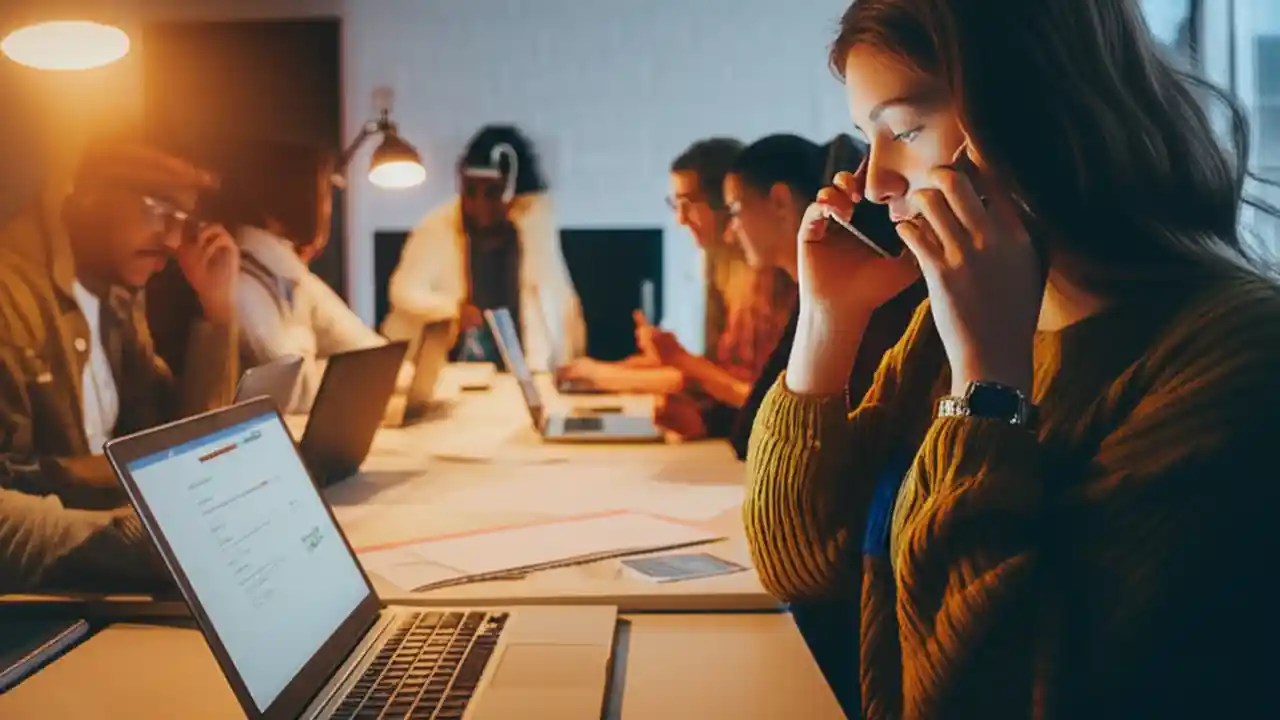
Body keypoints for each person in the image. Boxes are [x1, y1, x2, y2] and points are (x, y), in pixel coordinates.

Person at [745, 1, 1280, 718]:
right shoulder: (977, 311)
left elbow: (992, 693)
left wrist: (989, 388)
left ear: (1037, 114)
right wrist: (828, 317)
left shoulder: (1235, 351)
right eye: (865, 138)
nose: (874, 184)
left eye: (904, 129)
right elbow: (803, 562)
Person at [0, 141, 238, 592]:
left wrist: (217, 311)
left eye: (184, 222)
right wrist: (142, 529)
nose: (172, 240)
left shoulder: (119, 300)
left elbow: (187, 440)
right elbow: (13, 482)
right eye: (158, 210)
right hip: (53, 597)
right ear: (88, 194)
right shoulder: (10, 297)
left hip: (119, 566)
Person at [561, 138, 794, 438]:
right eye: (675, 205)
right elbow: (713, 372)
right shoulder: (720, 267)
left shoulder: (766, 277)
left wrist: (604, 375)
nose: (680, 219)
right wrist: (648, 362)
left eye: (687, 204)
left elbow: (745, 390)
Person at [724, 133, 926, 461]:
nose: (729, 230)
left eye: (907, 132)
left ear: (778, 200)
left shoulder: (876, 296)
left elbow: (754, 435)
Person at [382, 125, 585, 372]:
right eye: (470, 191)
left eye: (492, 193)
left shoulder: (533, 232)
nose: (480, 206)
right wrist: (453, 310)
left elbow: (557, 310)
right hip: (447, 373)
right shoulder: (439, 227)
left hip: (518, 374)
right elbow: (403, 291)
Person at [219, 141, 404, 412]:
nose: (329, 209)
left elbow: (370, 353)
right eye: (324, 193)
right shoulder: (243, 283)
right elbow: (294, 391)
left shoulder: (287, 274)